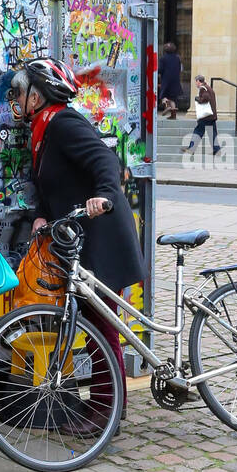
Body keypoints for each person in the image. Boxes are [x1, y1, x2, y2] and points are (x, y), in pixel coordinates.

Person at [14, 56, 146, 430]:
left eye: (20, 93)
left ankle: (106, 412)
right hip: (82, 240)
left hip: (102, 237)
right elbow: (53, 180)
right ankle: (106, 408)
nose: (16, 100)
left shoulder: (64, 124)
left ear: (36, 98)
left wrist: (103, 195)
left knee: (101, 326)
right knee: (94, 323)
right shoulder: (43, 130)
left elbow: (105, 159)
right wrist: (40, 212)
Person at [183, 76, 221, 155]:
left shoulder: (203, 88)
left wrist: (197, 99)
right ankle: (217, 150)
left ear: (198, 81)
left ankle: (191, 149)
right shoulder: (208, 88)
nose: (195, 84)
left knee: (198, 131)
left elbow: (205, 98)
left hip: (205, 116)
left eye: (196, 82)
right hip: (211, 116)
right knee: (212, 133)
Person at [159, 42, 183, 119]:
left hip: (166, 79)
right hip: (175, 80)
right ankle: (173, 115)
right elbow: (179, 69)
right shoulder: (177, 58)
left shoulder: (163, 58)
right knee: (173, 98)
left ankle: (167, 106)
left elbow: (160, 69)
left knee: (163, 95)